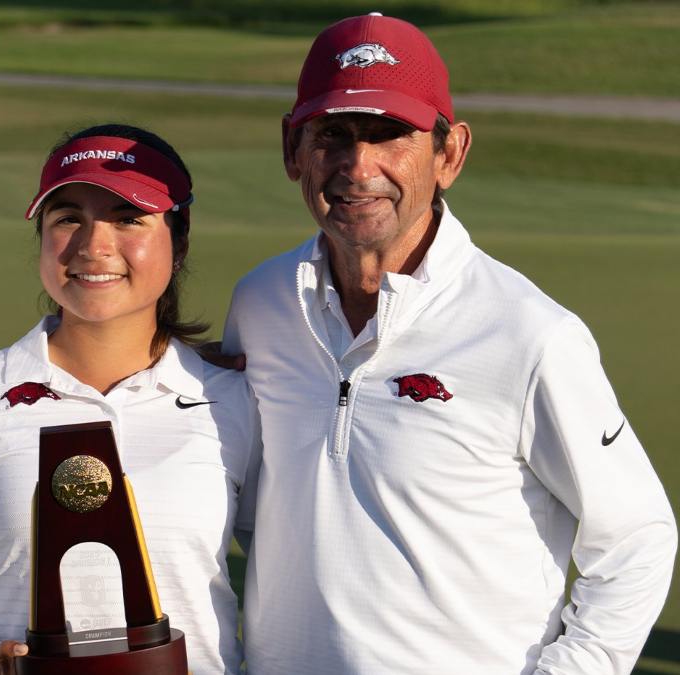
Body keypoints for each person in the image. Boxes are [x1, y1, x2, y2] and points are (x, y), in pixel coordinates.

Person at [223, 12, 676, 675]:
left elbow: (638, 537)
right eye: (334, 135)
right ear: (294, 150)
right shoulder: (260, 303)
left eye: (389, 135)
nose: (358, 165)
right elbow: (246, 506)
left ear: (450, 154)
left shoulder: (530, 332)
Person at [0, 124, 261, 675]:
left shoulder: (236, 400)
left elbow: (287, 584)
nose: (94, 246)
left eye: (127, 219)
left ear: (178, 238)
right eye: (68, 217)